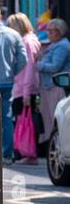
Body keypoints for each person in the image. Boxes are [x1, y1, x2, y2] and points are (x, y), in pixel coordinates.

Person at [0, 6, 25, 163]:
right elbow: (23, 59)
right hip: (8, 82)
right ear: (0, 17)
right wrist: (12, 73)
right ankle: (6, 153)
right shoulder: (14, 34)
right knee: (6, 118)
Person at [8, 12, 43, 163]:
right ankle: (26, 153)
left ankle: (28, 154)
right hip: (25, 88)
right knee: (25, 122)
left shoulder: (26, 41)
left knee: (24, 123)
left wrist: (27, 93)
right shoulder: (31, 39)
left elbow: (29, 68)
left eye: (11, 26)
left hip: (24, 89)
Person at [36, 18, 69, 149]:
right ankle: (54, 146)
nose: (48, 33)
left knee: (54, 119)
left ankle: (57, 147)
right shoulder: (55, 45)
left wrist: (38, 65)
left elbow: (55, 66)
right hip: (49, 86)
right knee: (49, 119)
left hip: (56, 87)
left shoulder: (62, 46)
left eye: (50, 31)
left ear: (59, 32)